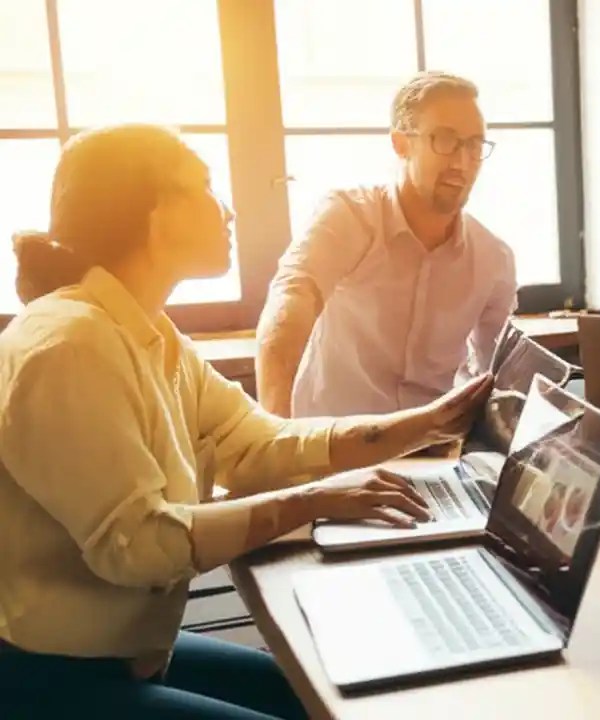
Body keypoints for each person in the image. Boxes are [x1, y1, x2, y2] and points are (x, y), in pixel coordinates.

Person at [0, 124, 495, 718]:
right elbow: (138, 546)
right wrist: (316, 501)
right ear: (154, 212)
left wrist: (425, 424)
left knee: (328, 700)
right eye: (206, 188)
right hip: (47, 676)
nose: (228, 210)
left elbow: (257, 443)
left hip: (126, 649)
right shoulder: (68, 346)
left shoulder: (149, 332)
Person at [256, 70, 517, 421]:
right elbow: (290, 302)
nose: (462, 161)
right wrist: (275, 438)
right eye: (444, 139)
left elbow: (498, 375)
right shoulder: (349, 216)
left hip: (431, 452)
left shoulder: (493, 260)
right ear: (400, 143)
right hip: (332, 445)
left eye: (474, 144)